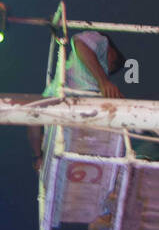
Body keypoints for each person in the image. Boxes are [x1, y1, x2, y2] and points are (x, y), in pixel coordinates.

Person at [30, 30, 125, 170]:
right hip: (90, 114)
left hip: (71, 134)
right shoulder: (101, 40)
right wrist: (103, 81)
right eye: (112, 64)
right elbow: (79, 42)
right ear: (111, 52)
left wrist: (38, 156)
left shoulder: (57, 85)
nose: (107, 69)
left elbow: (33, 117)